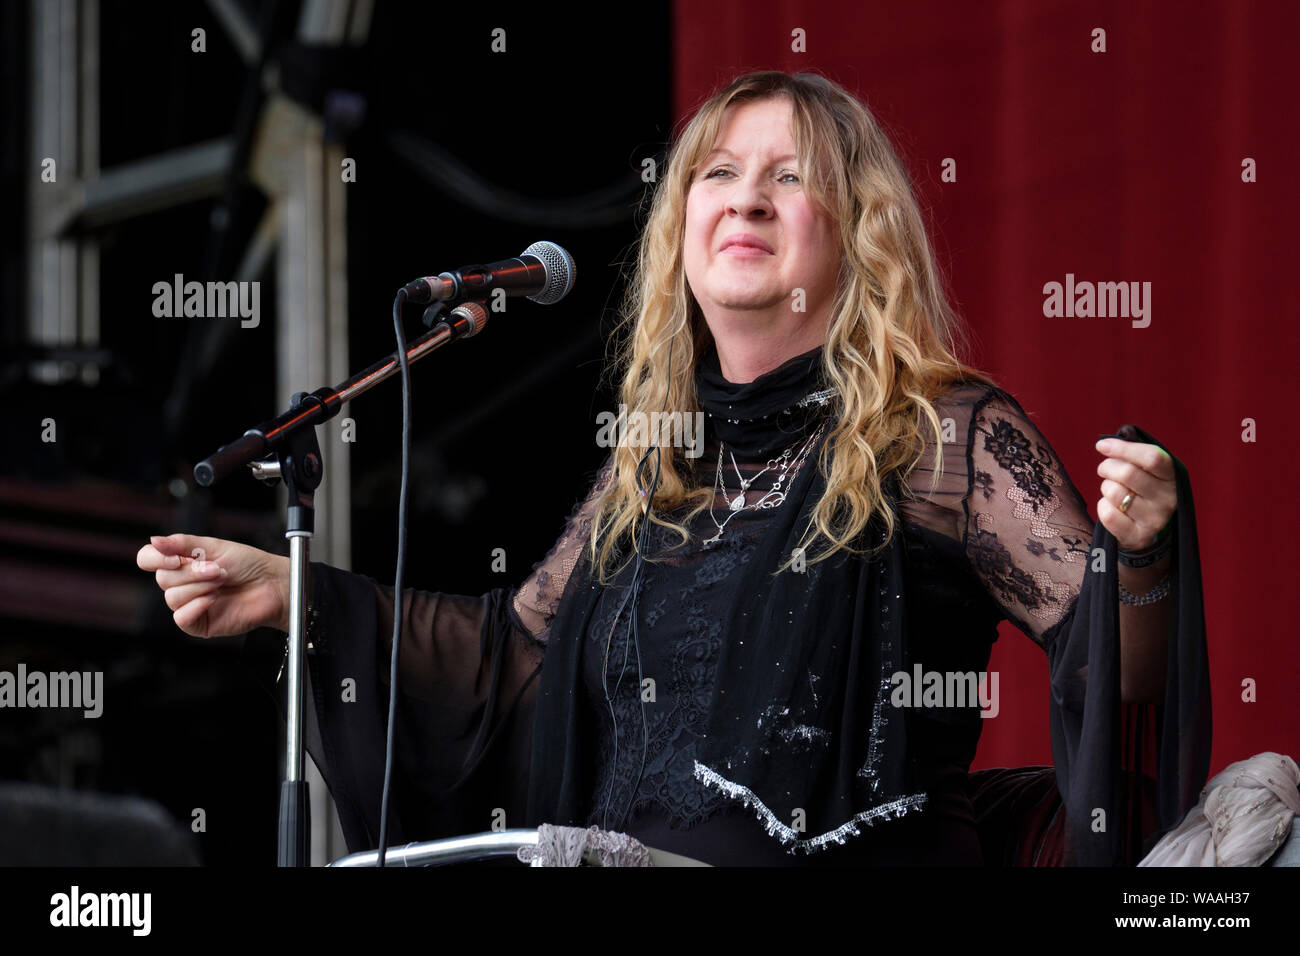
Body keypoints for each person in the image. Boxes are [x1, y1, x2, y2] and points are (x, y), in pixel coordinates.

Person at [137, 70, 1210, 866]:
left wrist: (1145, 552)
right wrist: (297, 595)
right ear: (680, 222)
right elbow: (507, 657)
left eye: (788, 178)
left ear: (859, 234)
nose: (742, 199)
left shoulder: (937, 433)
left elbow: (1119, 662)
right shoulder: (654, 467)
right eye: (718, 172)